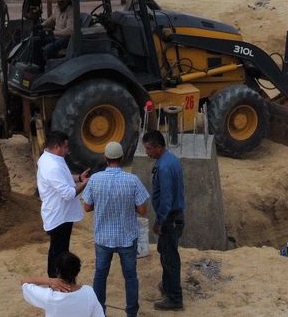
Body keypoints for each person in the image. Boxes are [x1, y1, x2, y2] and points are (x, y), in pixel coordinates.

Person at [81, 141, 150, 317]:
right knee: (130, 277)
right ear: (122, 158)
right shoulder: (132, 180)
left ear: (105, 158)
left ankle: (99, 311)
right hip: (127, 238)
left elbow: (87, 207)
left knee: (100, 275)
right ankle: (132, 312)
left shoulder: (95, 179)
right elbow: (143, 210)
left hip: (103, 238)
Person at [37, 131, 91, 279]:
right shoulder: (52, 166)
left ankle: (57, 277)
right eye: (65, 147)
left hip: (61, 213)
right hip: (59, 216)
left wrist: (79, 178)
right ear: (56, 146)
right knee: (59, 252)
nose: (68, 150)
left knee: (57, 249)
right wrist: (85, 184)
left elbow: (64, 177)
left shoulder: (50, 158)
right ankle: (56, 279)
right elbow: (68, 193)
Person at [142, 131, 185, 312]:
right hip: (174, 216)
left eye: (149, 148)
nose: (147, 152)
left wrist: (159, 221)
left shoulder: (165, 168)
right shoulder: (170, 160)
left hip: (170, 218)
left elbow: (166, 199)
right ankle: (167, 287)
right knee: (165, 252)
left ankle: (174, 298)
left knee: (170, 258)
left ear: (158, 147)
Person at [20, 251, 104, 317]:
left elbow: (24, 282)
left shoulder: (49, 297)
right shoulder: (89, 292)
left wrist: (49, 281)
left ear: (58, 272)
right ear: (77, 271)